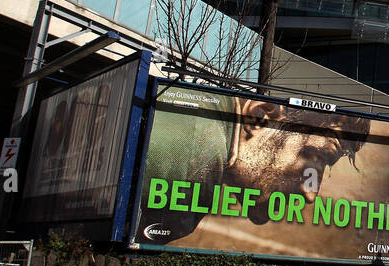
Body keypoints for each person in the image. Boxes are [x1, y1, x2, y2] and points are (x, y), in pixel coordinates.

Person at [139, 90, 370, 246]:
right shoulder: (198, 153)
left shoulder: (202, 122)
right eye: (312, 155)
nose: (311, 194)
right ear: (259, 117)